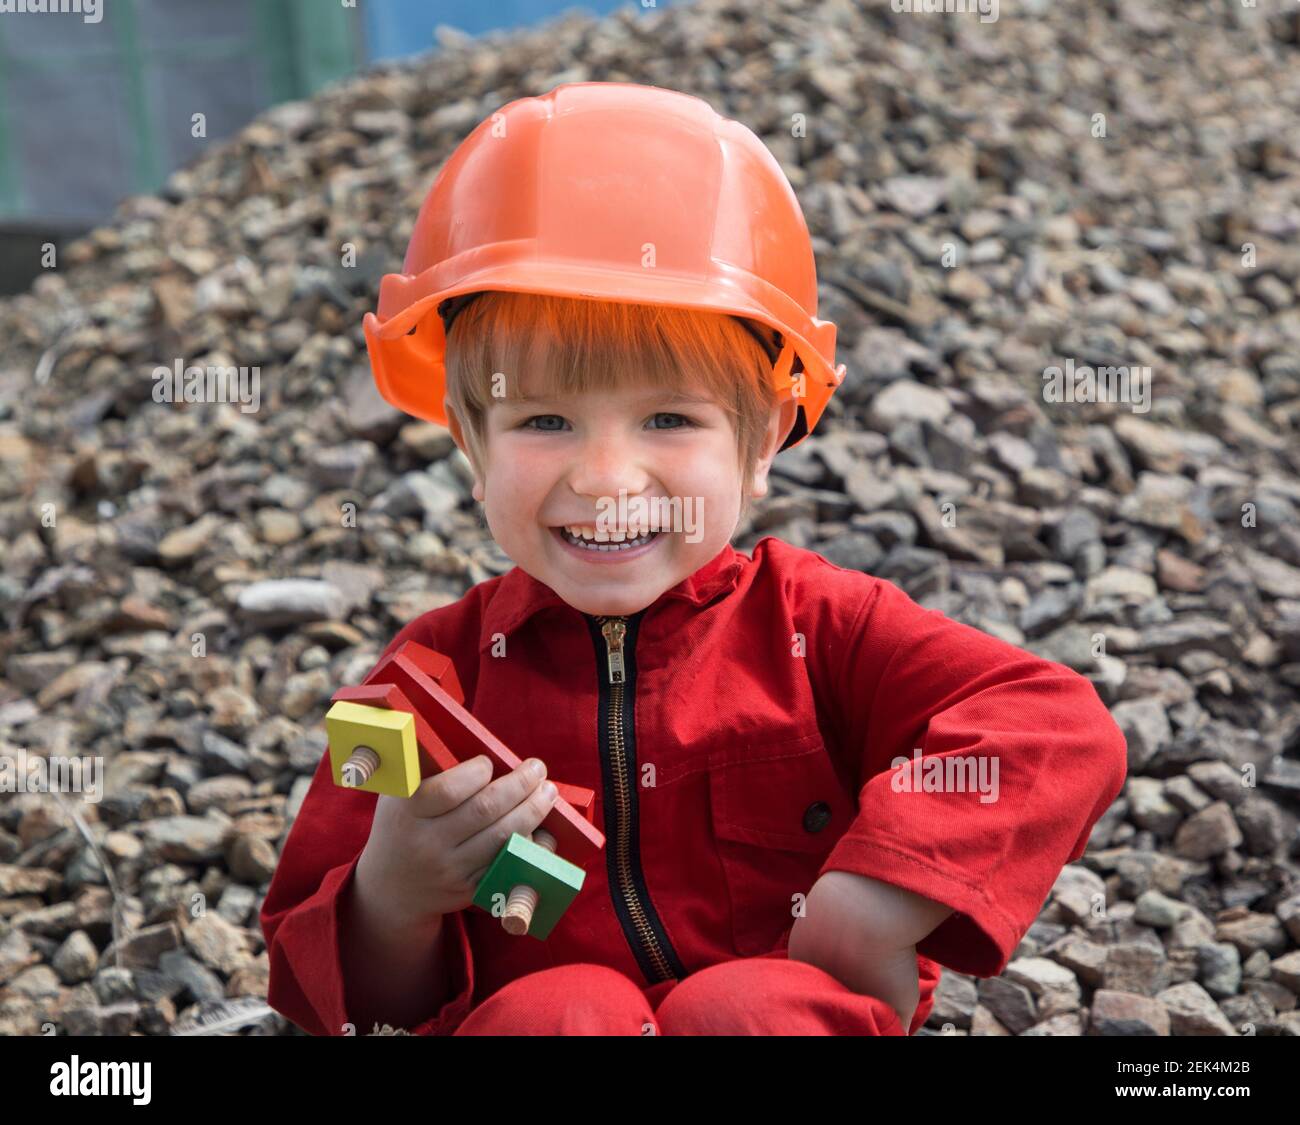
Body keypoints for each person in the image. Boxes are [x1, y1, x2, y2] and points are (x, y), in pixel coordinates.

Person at [260, 83, 1127, 1036]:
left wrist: (874, 892)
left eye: (669, 418)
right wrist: (395, 895)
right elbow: (338, 1002)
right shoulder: (434, 683)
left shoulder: (819, 627)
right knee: (557, 1009)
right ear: (471, 449)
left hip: (781, 1016)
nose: (606, 477)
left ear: (760, 448)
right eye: (543, 420)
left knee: (740, 1004)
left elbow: (1053, 726)